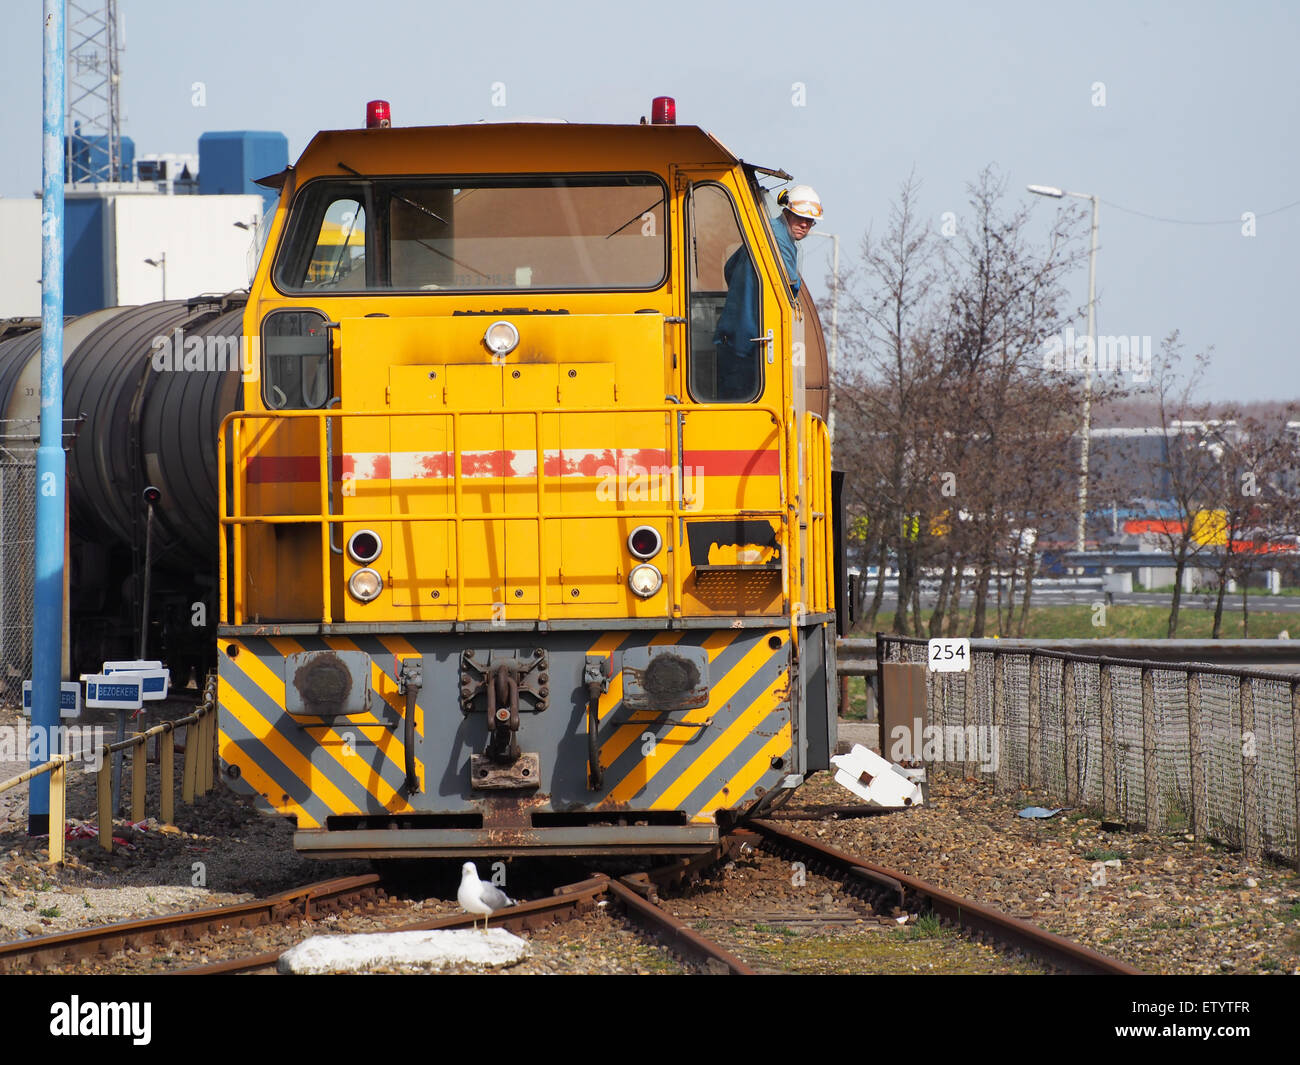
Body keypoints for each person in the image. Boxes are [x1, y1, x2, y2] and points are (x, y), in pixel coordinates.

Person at [712, 184, 823, 400]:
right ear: (786, 212)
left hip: (736, 337)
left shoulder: (765, 231)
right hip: (749, 342)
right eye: (799, 217)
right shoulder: (777, 241)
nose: (804, 224)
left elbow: (729, 268)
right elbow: (789, 288)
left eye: (809, 221)